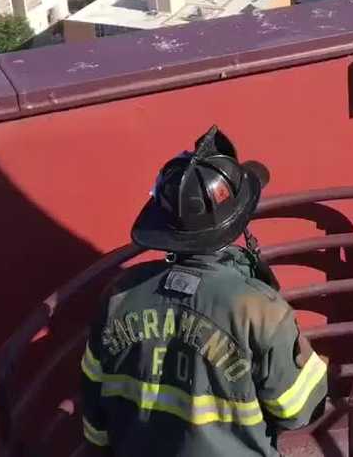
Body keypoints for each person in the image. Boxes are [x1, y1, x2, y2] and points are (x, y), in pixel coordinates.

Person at [80, 127, 327, 456]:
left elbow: (96, 424)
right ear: (238, 222)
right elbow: (299, 409)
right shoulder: (259, 309)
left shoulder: (118, 296)